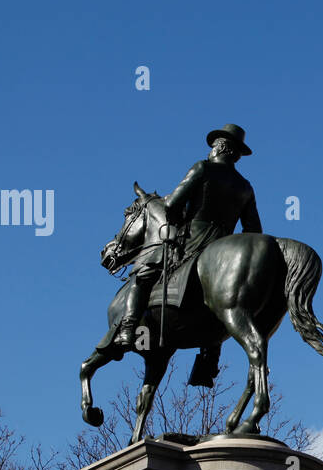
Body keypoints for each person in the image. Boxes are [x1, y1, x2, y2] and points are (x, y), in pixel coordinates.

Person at [112, 123, 262, 351]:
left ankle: (127, 328)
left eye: (213, 147)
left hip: (192, 239)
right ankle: (208, 360)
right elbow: (253, 230)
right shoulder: (245, 187)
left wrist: (174, 214)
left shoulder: (202, 168)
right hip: (223, 247)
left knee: (142, 276)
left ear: (221, 148)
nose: (210, 150)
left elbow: (172, 205)